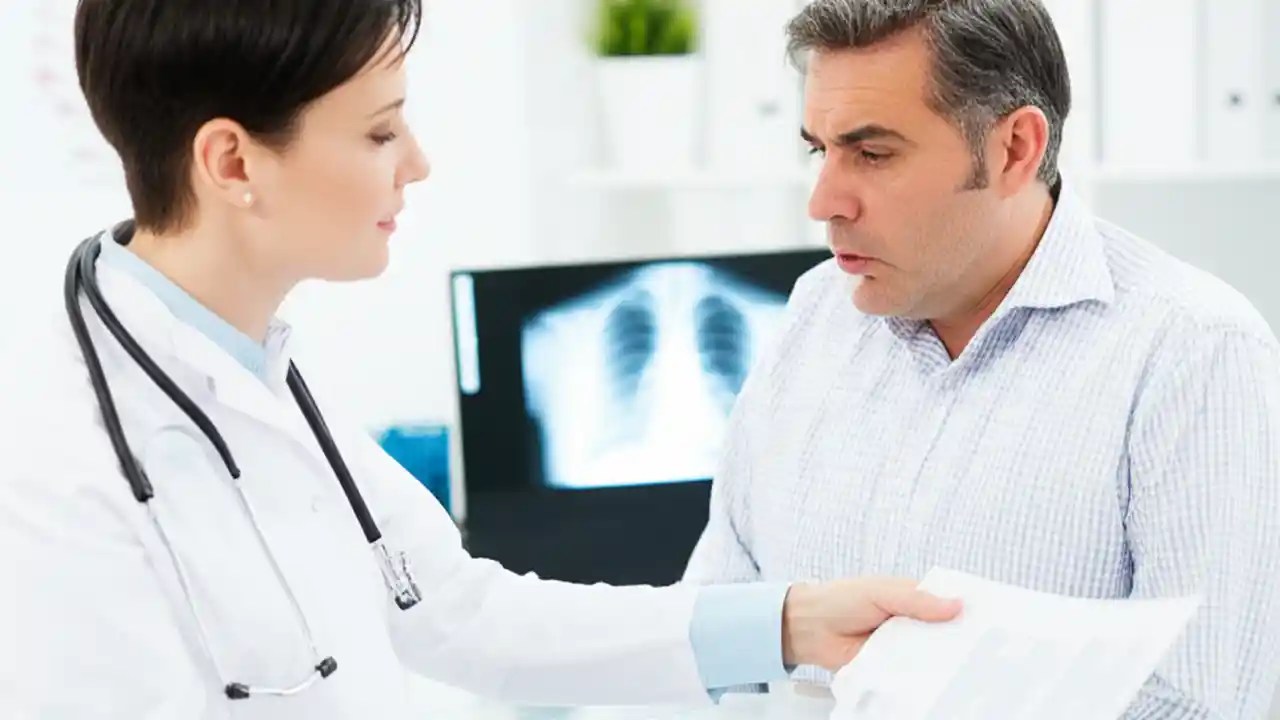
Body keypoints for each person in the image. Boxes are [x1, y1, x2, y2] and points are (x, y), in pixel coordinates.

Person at [0, 1, 964, 718]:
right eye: (380, 130)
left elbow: (456, 610)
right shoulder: (54, 463)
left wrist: (786, 623)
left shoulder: (257, 370)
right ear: (233, 162)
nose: (416, 163)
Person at [683, 0, 1280, 717]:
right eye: (820, 150)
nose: (825, 202)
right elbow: (709, 639)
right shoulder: (816, 314)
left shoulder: (1193, 353)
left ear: (1014, 149)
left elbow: (1203, 704)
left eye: (872, 154)